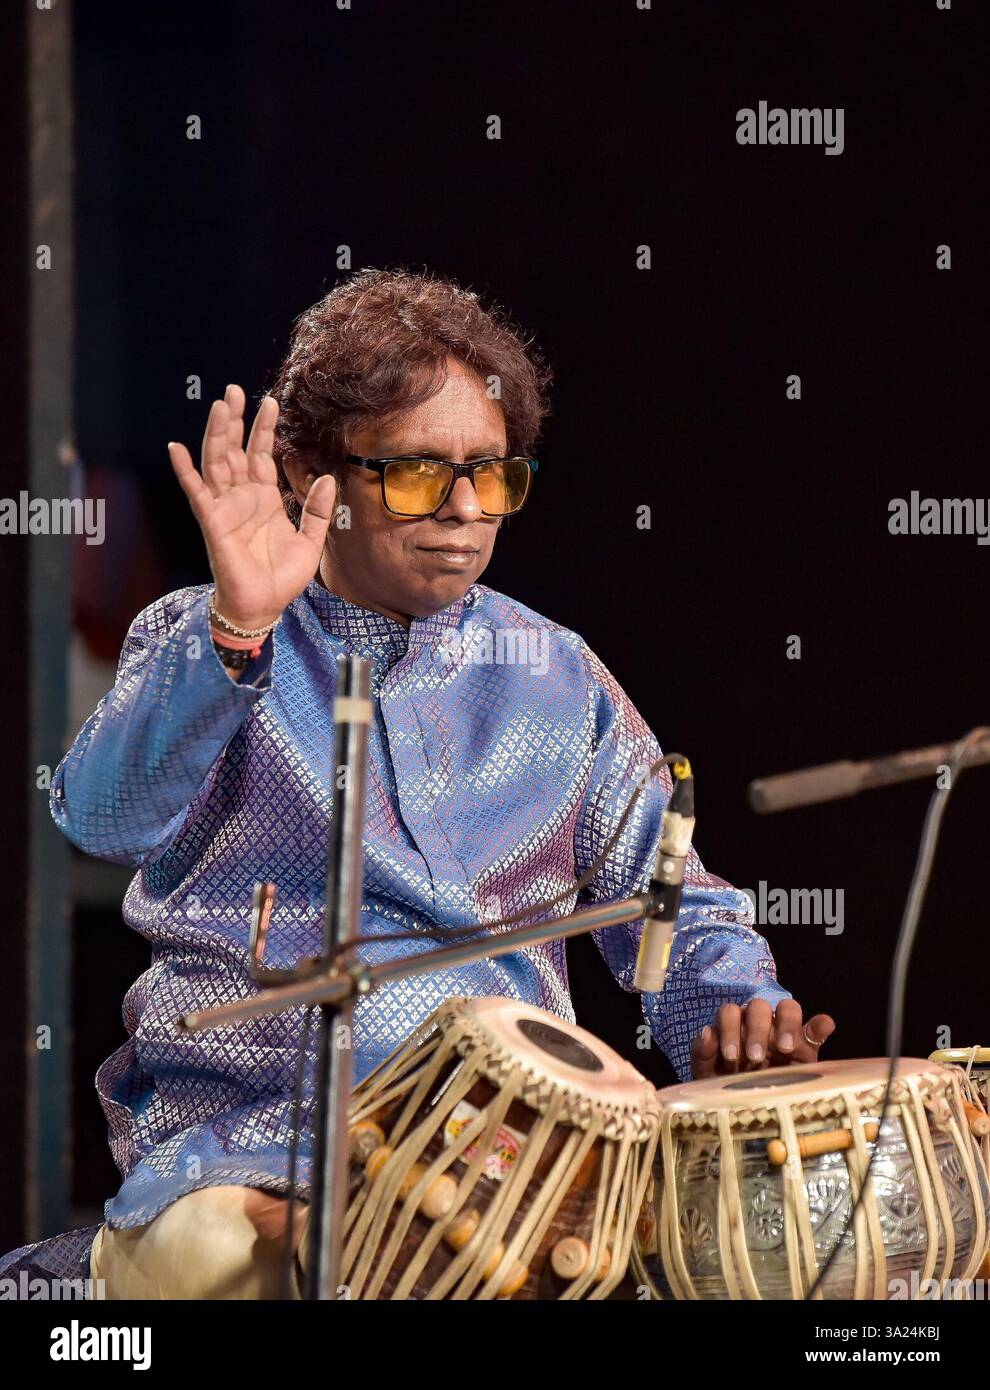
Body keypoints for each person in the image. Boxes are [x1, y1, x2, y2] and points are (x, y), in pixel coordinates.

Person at [3, 268, 834, 1298]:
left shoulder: (558, 676)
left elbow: (682, 908)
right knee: (218, 1262)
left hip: (514, 1164)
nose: (464, 509)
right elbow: (101, 815)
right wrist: (242, 624)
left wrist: (737, 1009)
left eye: (492, 473)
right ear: (314, 471)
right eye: (415, 475)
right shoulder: (206, 633)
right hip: (259, 1151)